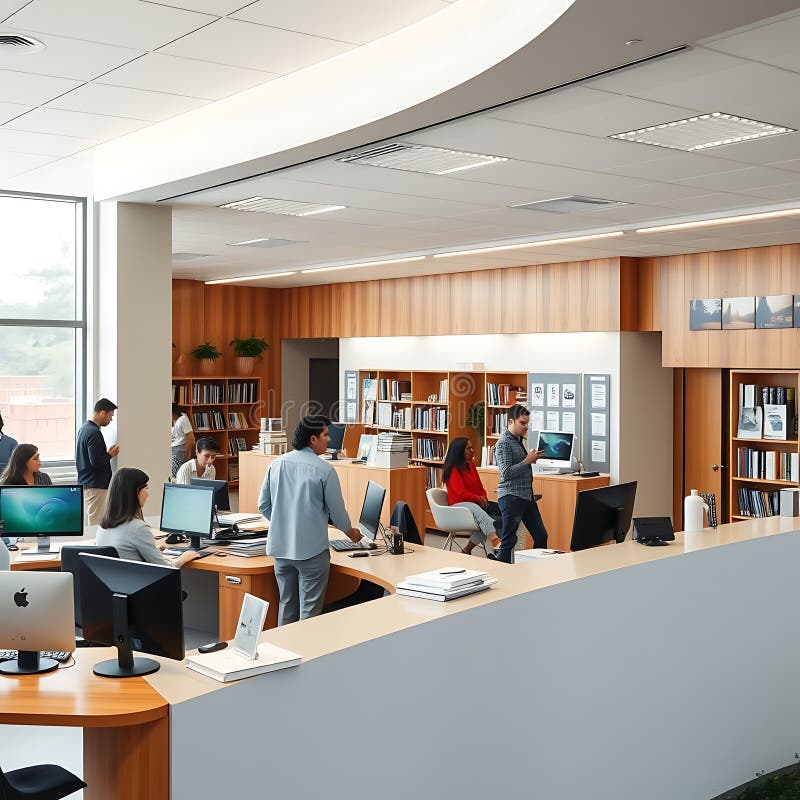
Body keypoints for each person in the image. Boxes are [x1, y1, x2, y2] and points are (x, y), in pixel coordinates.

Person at [258, 415, 362, 626]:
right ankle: (308, 657)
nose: (329, 439)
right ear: (313, 439)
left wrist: (283, 523)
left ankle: (284, 653)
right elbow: (338, 513)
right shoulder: (324, 470)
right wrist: (351, 533)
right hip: (312, 553)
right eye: (325, 435)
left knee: (286, 604)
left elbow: (264, 505)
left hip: (281, 550)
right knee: (309, 612)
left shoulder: (276, 464)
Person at [96, 467, 199, 567]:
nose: (148, 493)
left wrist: (152, 551)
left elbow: (126, 552)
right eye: (146, 488)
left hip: (114, 583)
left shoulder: (102, 526)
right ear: (136, 492)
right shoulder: (137, 528)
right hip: (139, 583)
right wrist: (184, 557)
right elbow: (165, 567)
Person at [494, 404, 548, 563]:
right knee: (509, 541)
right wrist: (527, 461)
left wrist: (531, 459)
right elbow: (506, 473)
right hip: (512, 497)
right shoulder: (504, 443)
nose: (526, 427)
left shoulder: (517, 440)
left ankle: (538, 570)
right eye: (522, 423)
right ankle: (501, 572)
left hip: (526, 497)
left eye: (527, 423)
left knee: (541, 535)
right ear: (511, 421)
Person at [442, 437, 501, 558]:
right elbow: (460, 492)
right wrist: (478, 499)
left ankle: (467, 550)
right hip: (458, 506)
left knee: (502, 511)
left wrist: (483, 497)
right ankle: (495, 541)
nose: (473, 450)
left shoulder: (471, 465)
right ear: (459, 452)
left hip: (474, 503)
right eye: (468, 448)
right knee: (476, 509)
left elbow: (480, 488)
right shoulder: (453, 469)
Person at [76, 398, 120, 526]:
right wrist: (109, 454)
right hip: (96, 485)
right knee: (96, 524)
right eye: (110, 415)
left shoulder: (84, 429)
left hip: (87, 482)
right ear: (102, 413)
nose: (111, 419)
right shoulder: (94, 432)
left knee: (92, 521)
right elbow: (95, 461)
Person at [171, 403, 195, 478]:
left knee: (177, 475)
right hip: (176, 451)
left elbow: (191, 438)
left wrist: (187, 454)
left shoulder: (183, 419)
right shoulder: (176, 420)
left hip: (179, 453)